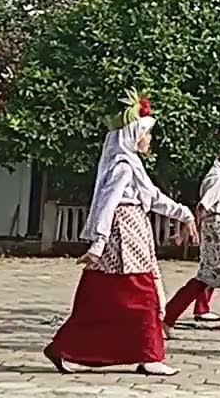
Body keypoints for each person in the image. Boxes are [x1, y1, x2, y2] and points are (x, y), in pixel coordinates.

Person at [44, 91, 198, 377]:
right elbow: (107, 203)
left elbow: (155, 197)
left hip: (130, 233)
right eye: (146, 134)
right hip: (124, 238)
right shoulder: (123, 167)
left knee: (103, 297)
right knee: (140, 295)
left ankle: (66, 348)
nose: (149, 139)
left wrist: (185, 214)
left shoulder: (131, 166)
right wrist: (99, 242)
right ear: (134, 135)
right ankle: (148, 355)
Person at [163, 141, 220, 336]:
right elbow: (203, 207)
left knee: (205, 277)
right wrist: (188, 230)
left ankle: (169, 316)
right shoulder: (217, 178)